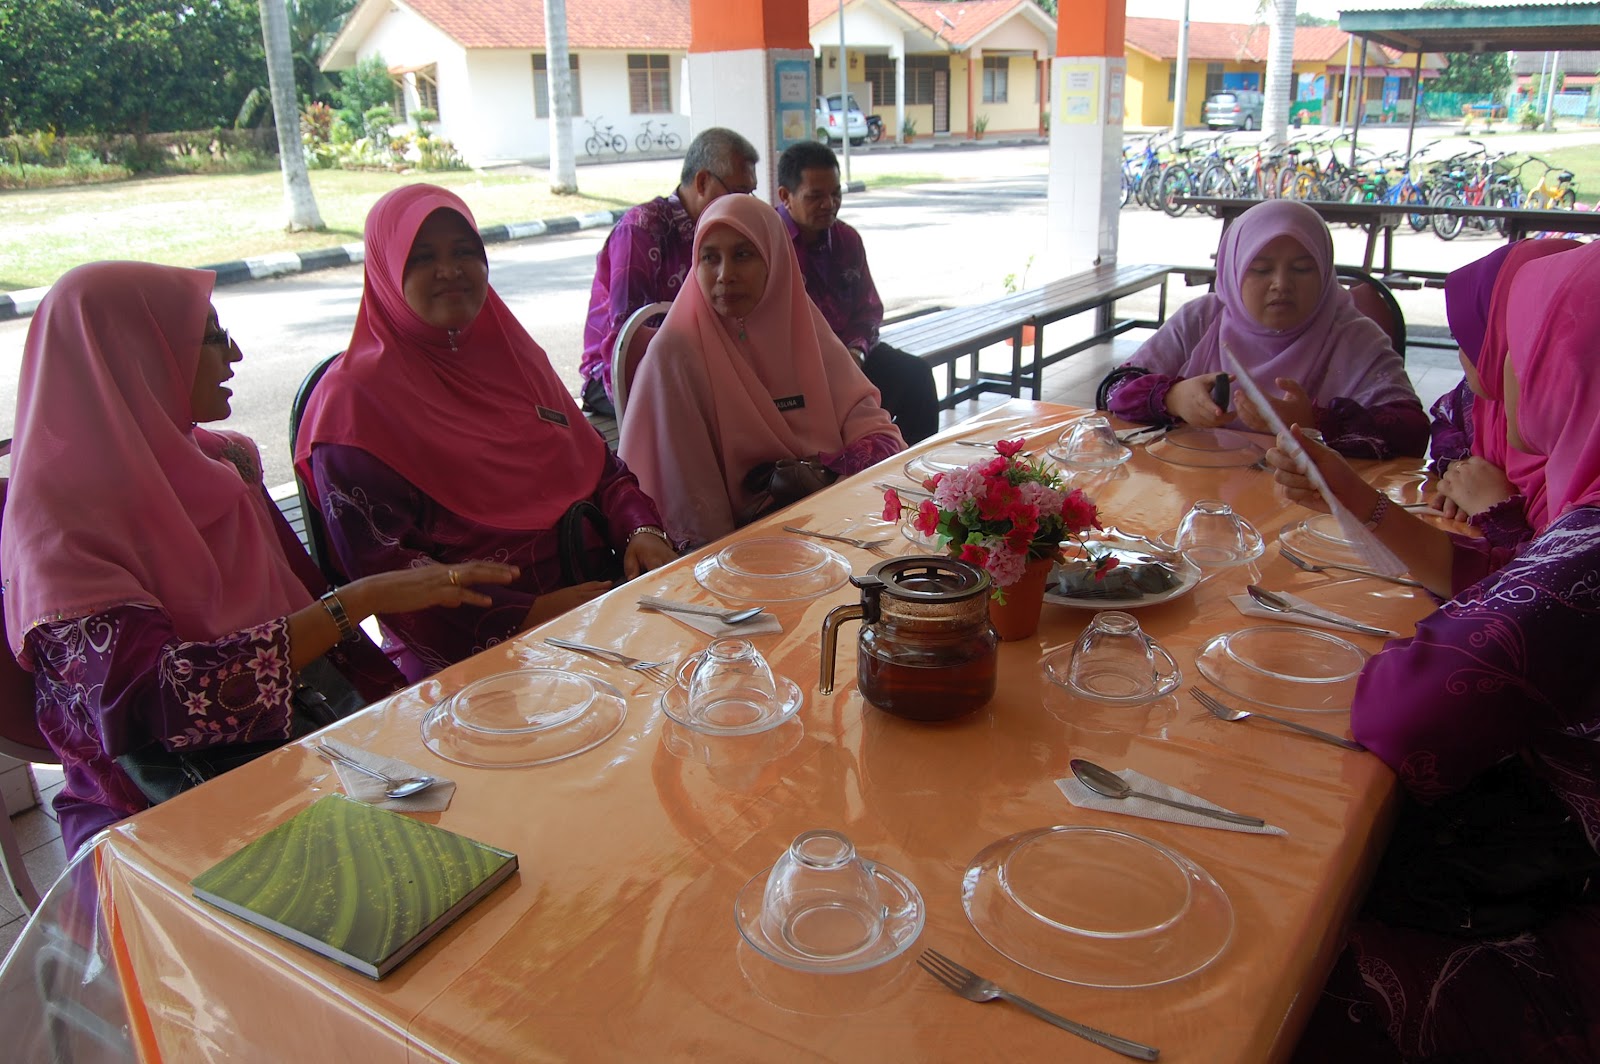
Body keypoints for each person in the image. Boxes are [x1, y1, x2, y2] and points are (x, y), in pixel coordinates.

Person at [0, 262, 518, 856]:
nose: (237, 354)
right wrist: (360, 602)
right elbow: (151, 704)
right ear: (136, 354)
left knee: (498, 803)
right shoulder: (58, 525)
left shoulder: (222, 462)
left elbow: (305, 608)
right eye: (213, 337)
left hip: (307, 725)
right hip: (157, 799)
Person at [1269, 238, 1600, 1062]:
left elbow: (1405, 709)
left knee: (1286, 947)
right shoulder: (1581, 499)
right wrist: (1351, 495)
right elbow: (1501, 570)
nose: (1492, 363)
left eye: (1518, 345)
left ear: (1565, 361)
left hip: (1570, 906)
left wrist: (1424, 643)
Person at [295, 184, 676, 683]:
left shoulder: (515, 358)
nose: (450, 270)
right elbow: (385, 573)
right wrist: (526, 616)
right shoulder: (354, 409)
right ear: (386, 272)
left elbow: (599, 469)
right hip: (472, 660)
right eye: (423, 256)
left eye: (464, 252)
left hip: (599, 602)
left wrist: (640, 529)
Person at [617, 195, 905, 548]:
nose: (725, 276)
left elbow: (865, 416)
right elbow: (694, 503)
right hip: (741, 544)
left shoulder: (800, 324)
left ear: (775, 259)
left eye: (743, 255)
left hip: (828, 508)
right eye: (710, 258)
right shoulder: (675, 354)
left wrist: (838, 477)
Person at [1103, 199, 1426, 459]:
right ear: (1233, 270)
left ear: (1326, 272)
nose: (1281, 285)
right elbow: (1113, 391)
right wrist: (1172, 398)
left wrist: (1314, 423)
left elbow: (1412, 432)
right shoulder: (1203, 319)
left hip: (1312, 512)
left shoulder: (1354, 337)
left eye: (1302, 269)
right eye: (1260, 269)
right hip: (1202, 501)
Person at [578, 127, 760, 416]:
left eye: (751, 193)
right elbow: (626, 342)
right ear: (702, 182)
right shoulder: (641, 230)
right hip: (617, 377)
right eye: (739, 191)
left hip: (699, 370)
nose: (746, 203)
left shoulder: (728, 232)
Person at [775, 141, 940, 444]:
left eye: (836, 193)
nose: (829, 204)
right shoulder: (769, 243)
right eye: (816, 196)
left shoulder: (847, 238)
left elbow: (868, 309)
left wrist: (856, 351)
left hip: (851, 356)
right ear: (785, 196)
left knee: (916, 376)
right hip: (795, 369)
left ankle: (915, 474)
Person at [1429, 239, 1581, 548]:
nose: (1464, 353)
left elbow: (1559, 579)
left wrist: (1497, 510)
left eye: (1473, 339)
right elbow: (1446, 418)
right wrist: (1465, 471)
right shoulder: (1486, 404)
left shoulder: (1581, 455)